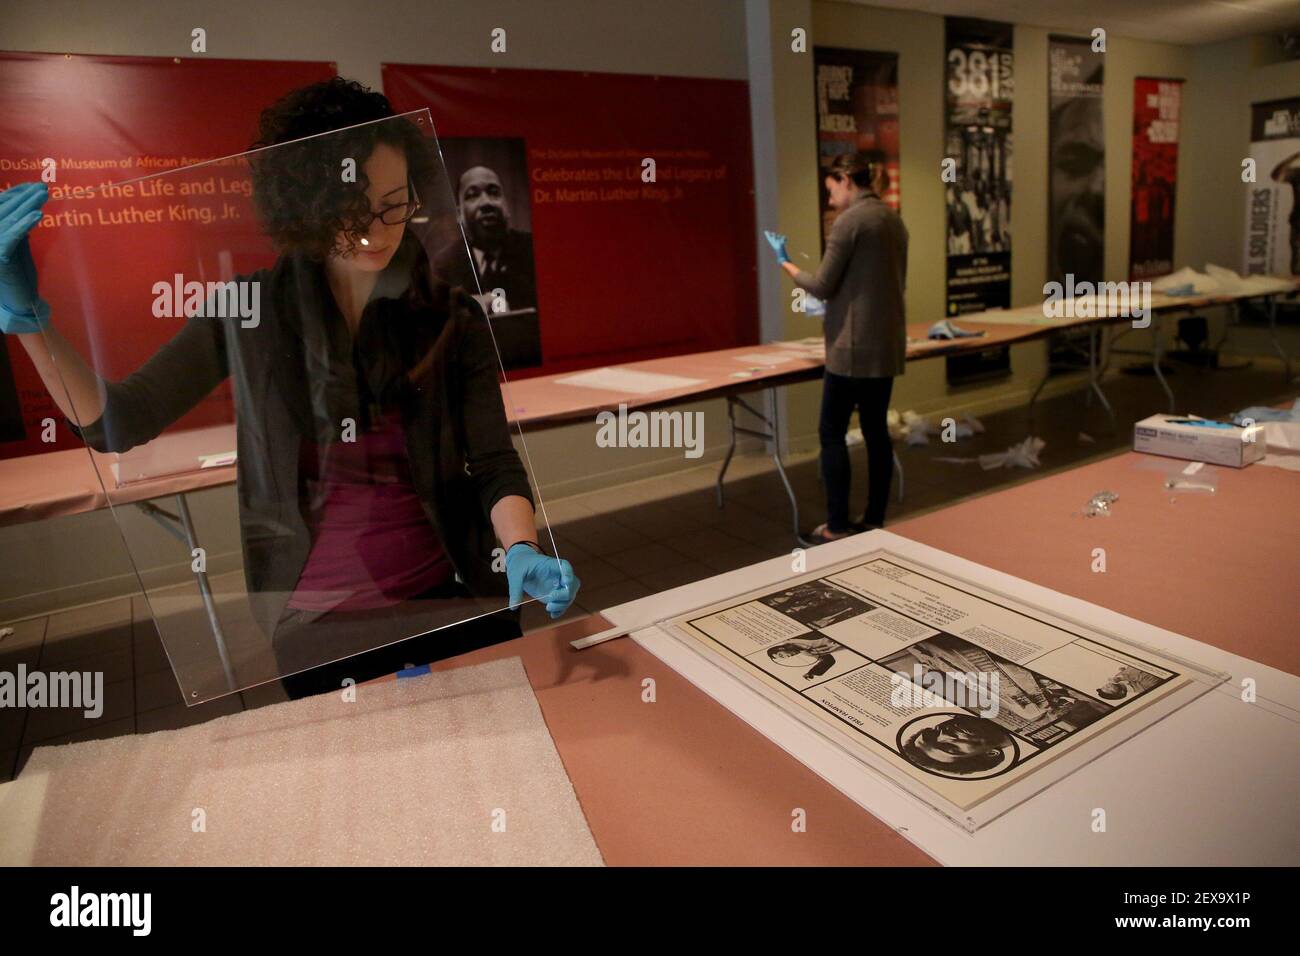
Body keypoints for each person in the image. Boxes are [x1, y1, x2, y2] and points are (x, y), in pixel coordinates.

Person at [0, 78, 579, 698]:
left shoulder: (449, 317)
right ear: (307, 211)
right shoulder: (250, 312)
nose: (376, 232)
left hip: (451, 596)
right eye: (351, 212)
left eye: (393, 205)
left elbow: (491, 462)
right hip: (319, 623)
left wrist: (520, 547)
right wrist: (28, 321)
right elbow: (118, 422)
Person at [764, 150, 908, 543]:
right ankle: (874, 519)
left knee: (831, 433)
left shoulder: (850, 222)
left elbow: (822, 284)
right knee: (876, 432)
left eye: (831, 191)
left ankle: (836, 526)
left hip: (851, 349)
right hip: (885, 346)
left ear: (846, 180)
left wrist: (785, 261)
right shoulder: (892, 219)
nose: (830, 201)